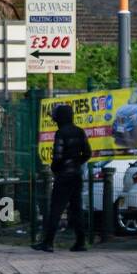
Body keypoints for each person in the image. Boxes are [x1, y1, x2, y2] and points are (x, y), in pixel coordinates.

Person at [33, 103, 92, 252]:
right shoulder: (79, 132)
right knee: (76, 209)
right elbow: (87, 153)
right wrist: (76, 163)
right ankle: (81, 242)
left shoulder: (61, 133)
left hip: (64, 177)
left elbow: (57, 157)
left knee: (56, 210)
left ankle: (48, 243)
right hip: (76, 176)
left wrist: (56, 168)